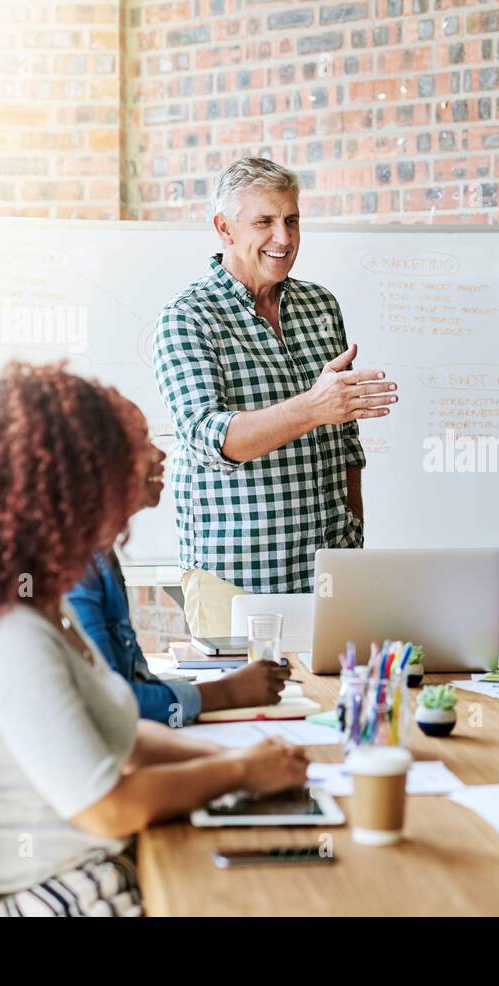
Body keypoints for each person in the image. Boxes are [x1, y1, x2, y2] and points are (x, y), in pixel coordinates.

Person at [0, 363, 309, 916]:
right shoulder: (10, 638)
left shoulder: (34, 607)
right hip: (64, 897)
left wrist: (239, 761)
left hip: (88, 878)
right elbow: (109, 808)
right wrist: (238, 772)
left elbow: (122, 737)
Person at [154, 156, 397, 637]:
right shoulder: (188, 317)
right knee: (247, 692)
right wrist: (312, 407)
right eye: (264, 222)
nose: (283, 238)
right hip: (237, 581)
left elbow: (346, 442)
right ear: (224, 228)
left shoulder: (319, 305)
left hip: (330, 576)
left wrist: (353, 540)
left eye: (291, 220)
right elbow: (211, 439)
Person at [65, 435, 289, 725]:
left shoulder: (102, 558)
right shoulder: (76, 569)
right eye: (141, 443)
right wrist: (228, 692)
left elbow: (132, 682)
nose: (161, 454)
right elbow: (114, 706)